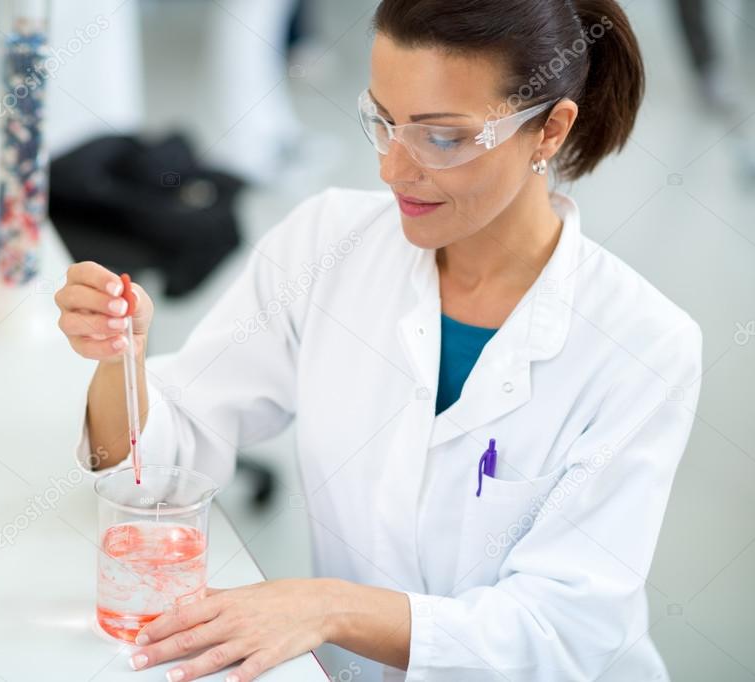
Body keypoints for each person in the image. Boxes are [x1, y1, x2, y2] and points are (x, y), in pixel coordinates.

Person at [54, 0, 703, 680]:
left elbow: (562, 631)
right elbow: (164, 461)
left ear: (548, 131)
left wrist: (332, 608)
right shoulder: (325, 243)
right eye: (382, 122)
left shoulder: (641, 345)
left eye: (442, 138)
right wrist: (119, 362)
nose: (393, 169)